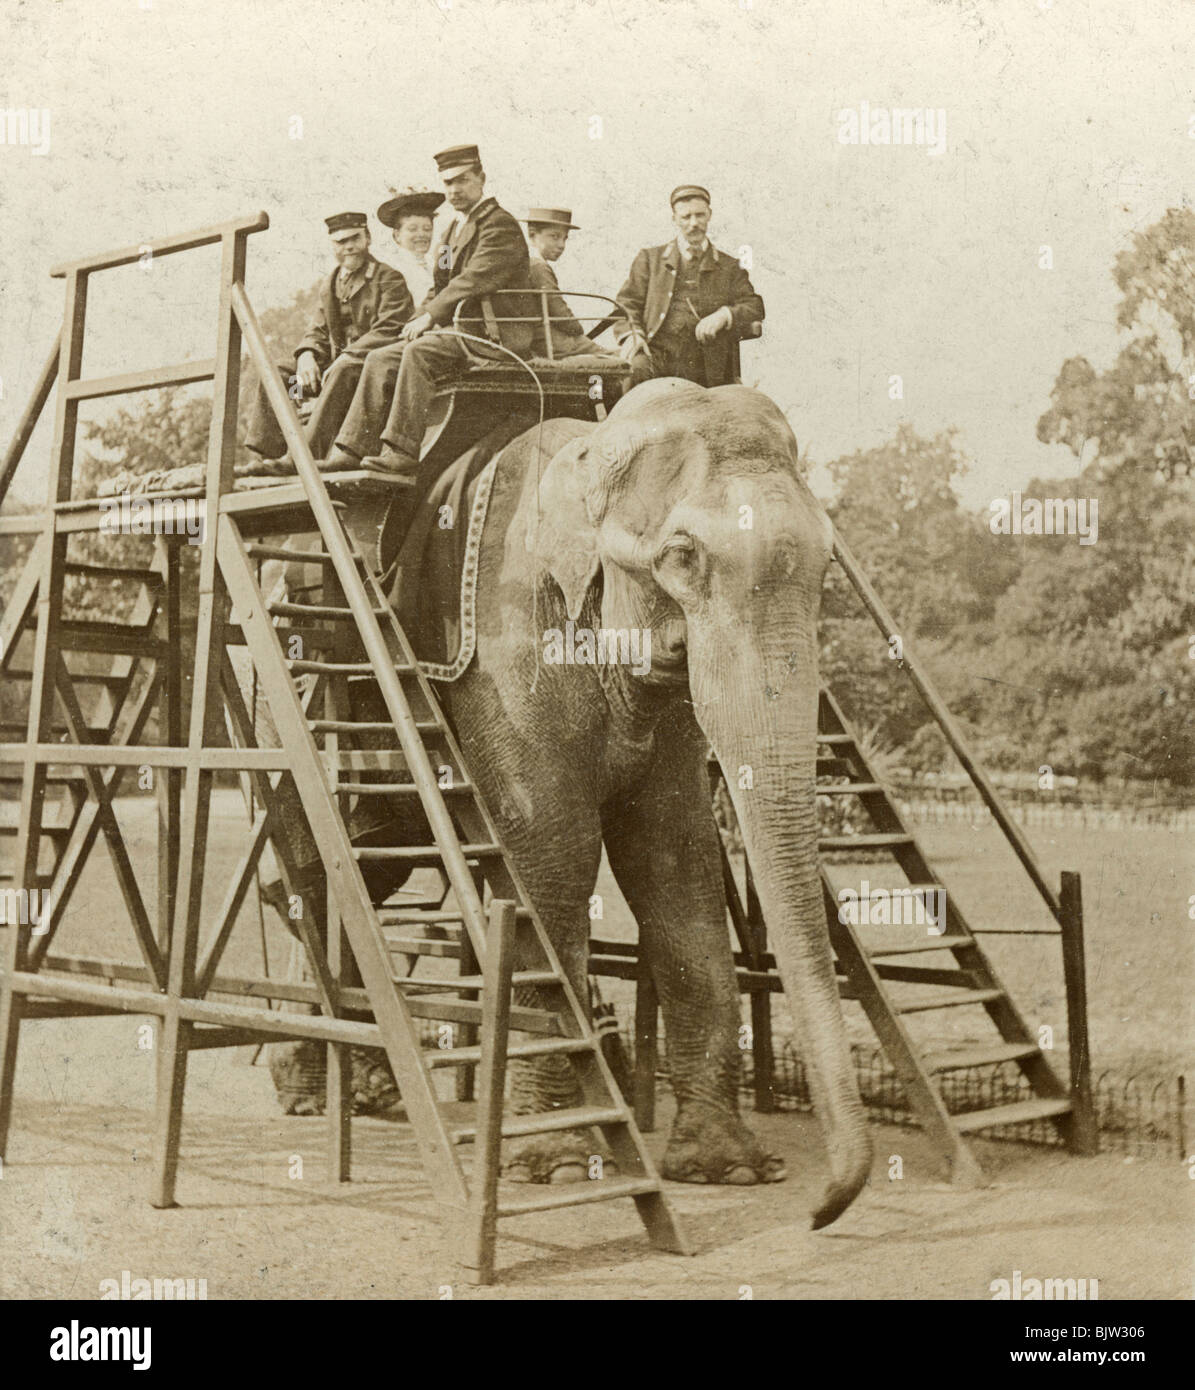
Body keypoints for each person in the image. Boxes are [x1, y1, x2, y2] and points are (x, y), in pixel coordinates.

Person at [324, 144, 533, 478]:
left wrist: (431, 316)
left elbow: (473, 278)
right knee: (380, 357)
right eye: (448, 182)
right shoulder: (451, 232)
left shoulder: (499, 226)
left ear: (481, 178)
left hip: (494, 334)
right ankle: (351, 448)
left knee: (419, 352)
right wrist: (414, 320)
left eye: (462, 180)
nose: (454, 190)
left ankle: (403, 450)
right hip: (460, 330)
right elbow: (441, 282)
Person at [244, 212, 413, 463]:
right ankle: (267, 454)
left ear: (368, 238)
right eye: (340, 242)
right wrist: (306, 355)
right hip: (334, 370)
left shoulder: (388, 278)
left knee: (342, 368)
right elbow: (318, 329)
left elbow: (390, 328)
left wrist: (345, 357)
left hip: (367, 370)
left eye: (354, 239)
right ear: (332, 246)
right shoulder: (332, 283)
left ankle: (304, 457)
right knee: (280, 373)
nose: (349, 247)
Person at [612, 184, 764, 388]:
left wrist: (724, 315)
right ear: (674, 219)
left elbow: (754, 305)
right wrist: (633, 336)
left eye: (700, 215)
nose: (694, 223)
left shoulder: (729, 266)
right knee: (634, 374)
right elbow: (626, 305)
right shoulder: (650, 260)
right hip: (656, 357)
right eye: (686, 217)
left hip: (706, 364)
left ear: (709, 215)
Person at [521, 206, 605, 357]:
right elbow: (558, 310)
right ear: (532, 234)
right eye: (554, 236)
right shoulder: (537, 266)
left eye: (564, 238)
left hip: (541, 337)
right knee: (616, 357)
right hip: (551, 341)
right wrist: (578, 330)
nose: (561, 245)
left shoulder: (525, 262)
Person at [376, 186, 444, 307]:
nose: (422, 235)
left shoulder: (435, 262)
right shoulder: (392, 268)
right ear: (397, 235)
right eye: (412, 229)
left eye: (427, 229)